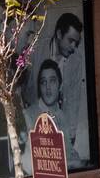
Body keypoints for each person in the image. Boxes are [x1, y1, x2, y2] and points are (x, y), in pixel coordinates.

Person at [20, 11, 85, 150]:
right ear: (59, 34)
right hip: (33, 120)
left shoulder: (76, 59)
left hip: (59, 121)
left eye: (77, 43)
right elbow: (21, 85)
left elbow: (74, 97)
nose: (74, 47)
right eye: (71, 40)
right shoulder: (35, 50)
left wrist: (71, 133)